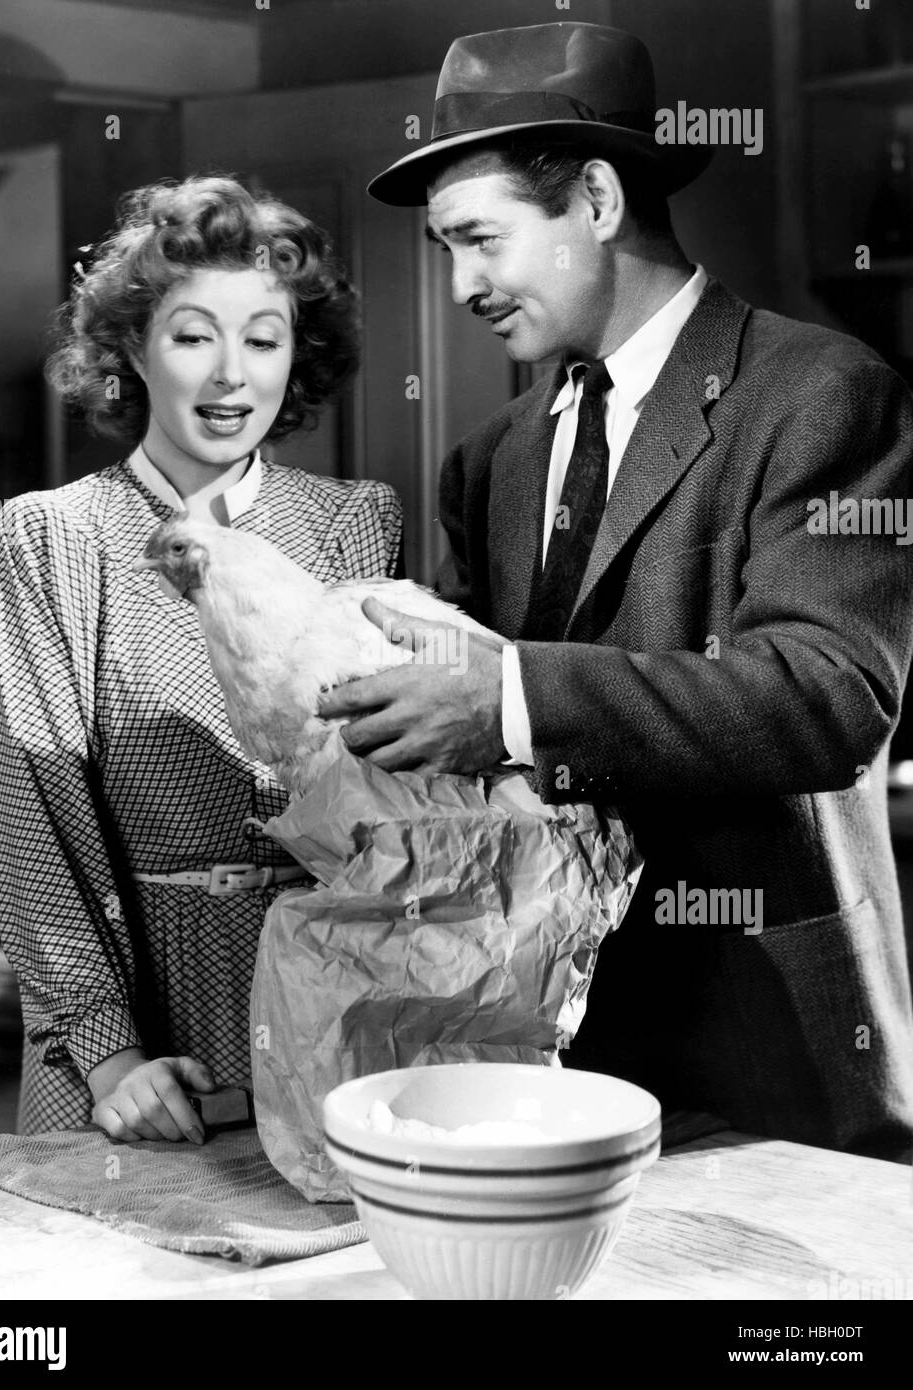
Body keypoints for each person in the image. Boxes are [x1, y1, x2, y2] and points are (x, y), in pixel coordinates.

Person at [318, 22, 913, 1159]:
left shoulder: (819, 393)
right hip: (542, 1050)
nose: (460, 287)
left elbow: (825, 697)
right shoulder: (487, 460)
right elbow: (477, 751)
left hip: (766, 1047)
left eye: (480, 241)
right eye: (447, 250)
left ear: (594, 198)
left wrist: (505, 699)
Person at [0, 175, 403, 1141]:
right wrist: (109, 1049)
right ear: (132, 348)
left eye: (263, 340)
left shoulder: (351, 521)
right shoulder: (55, 537)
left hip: (321, 999)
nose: (231, 377)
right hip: (127, 1015)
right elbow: (35, 820)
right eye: (192, 337)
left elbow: (375, 802)